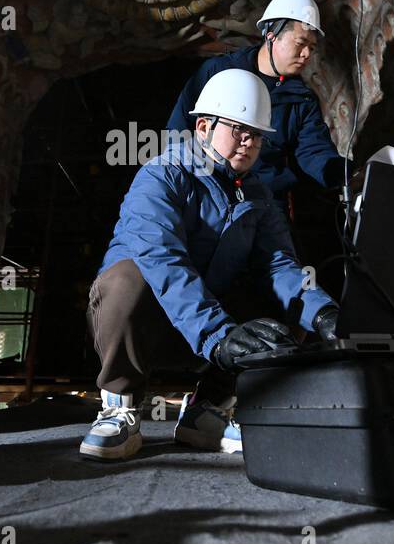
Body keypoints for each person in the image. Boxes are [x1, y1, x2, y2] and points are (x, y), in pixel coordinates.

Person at [81, 68, 340, 461]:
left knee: (286, 306)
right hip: (147, 325)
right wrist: (217, 336)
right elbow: (163, 261)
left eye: (257, 135)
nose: (249, 143)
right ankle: (120, 405)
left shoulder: (258, 196)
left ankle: (208, 411)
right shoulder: (161, 175)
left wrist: (323, 313)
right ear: (203, 126)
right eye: (239, 130)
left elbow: (280, 266)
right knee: (124, 280)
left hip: (208, 328)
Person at [166, 0, 346, 209]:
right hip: (208, 193)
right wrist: (179, 185)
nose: (307, 53)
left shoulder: (301, 100)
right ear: (271, 35)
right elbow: (179, 130)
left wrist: (343, 174)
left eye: (312, 47)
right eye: (300, 43)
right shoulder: (218, 71)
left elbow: (314, 151)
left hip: (264, 200)